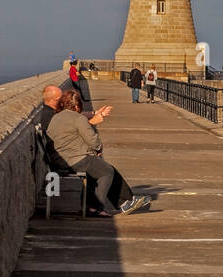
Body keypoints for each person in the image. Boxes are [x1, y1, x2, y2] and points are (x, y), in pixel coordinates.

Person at [47, 88, 149, 216]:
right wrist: (98, 149)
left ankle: (126, 202)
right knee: (106, 171)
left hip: (58, 159)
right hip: (74, 160)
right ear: (77, 105)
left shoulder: (56, 117)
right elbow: (93, 140)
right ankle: (93, 207)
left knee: (103, 168)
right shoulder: (78, 119)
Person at [39, 84, 113, 174]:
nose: (63, 101)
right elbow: (71, 131)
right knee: (107, 171)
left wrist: (95, 113)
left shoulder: (53, 111)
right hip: (68, 157)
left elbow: (74, 118)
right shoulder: (50, 116)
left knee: (108, 170)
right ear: (51, 101)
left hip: (70, 153)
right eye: (60, 99)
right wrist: (92, 122)